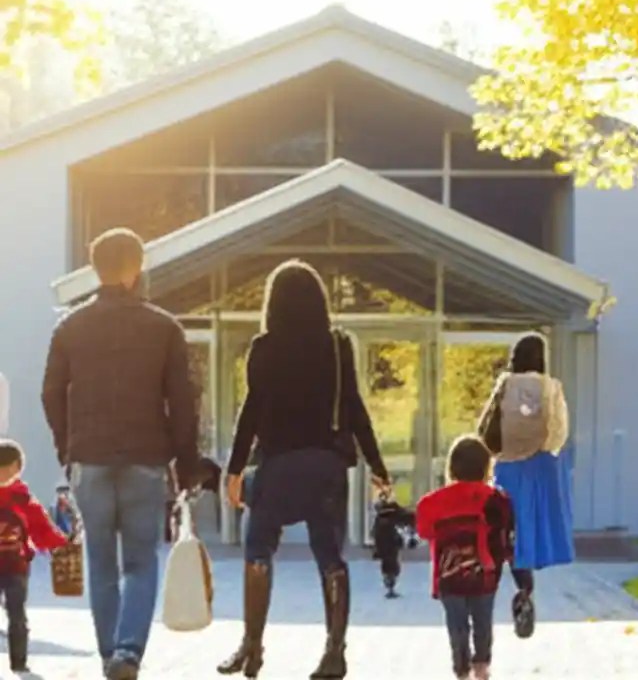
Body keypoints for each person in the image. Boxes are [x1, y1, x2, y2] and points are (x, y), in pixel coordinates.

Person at [41, 228, 203, 680]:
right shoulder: (163, 327)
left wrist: (66, 449)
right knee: (140, 559)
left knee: (101, 561)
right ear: (136, 268)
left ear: (96, 268)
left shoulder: (69, 327)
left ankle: (108, 650)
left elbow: (50, 393)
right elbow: (183, 402)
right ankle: (128, 652)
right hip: (146, 459)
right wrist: (184, 462)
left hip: (87, 459)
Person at [218, 260, 391, 680]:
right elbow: (354, 406)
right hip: (326, 465)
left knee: (258, 548)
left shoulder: (264, 347)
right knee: (331, 556)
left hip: (276, 465)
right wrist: (377, 465)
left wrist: (235, 468)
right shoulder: (337, 345)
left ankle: (252, 647)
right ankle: (334, 653)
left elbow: (252, 410)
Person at [476, 332, 572, 638]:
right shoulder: (551, 387)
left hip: (508, 466)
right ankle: (525, 592)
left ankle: (488, 589)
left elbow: (485, 429)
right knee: (527, 534)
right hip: (540, 467)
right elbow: (559, 431)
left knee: (503, 527)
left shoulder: (506, 384)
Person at [416, 435, 524, 680]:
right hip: (484, 575)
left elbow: (424, 530)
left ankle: (461, 671)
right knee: (483, 622)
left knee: (457, 627)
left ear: (452, 467)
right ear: (486, 467)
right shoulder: (497, 500)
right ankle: (482, 667)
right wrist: (523, 578)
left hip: (449, 575)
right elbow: (506, 538)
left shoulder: (431, 502)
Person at [0, 439, 68, 673]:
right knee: (16, 611)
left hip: (16, 566)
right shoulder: (22, 499)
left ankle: (19, 660)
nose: (5, 474)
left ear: (19, 468)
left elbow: (41, 527)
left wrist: (59, 544)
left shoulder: (23, 498)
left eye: (9, 468)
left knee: (16, 612)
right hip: (14, 563)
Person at [371, 495, 416, 599]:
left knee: (387, 563)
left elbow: (375, 532)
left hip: (383, 542)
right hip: (391, 542)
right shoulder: (395, 512)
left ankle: (389, 583)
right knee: (392, 563)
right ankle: (390, 584)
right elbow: (409, 519)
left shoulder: (381, 516)